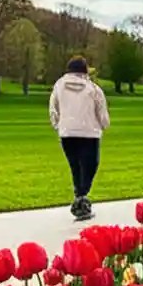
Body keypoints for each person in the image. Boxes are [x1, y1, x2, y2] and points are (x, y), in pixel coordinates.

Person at [49, 56, 110, 221]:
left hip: (67, 133)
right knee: (90, 165)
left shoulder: (59, 86)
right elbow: (101, 111)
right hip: (89, 133)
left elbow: (53, 108)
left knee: (75, 166)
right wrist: (104, 125)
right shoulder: (93, 89)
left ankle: (80, 197)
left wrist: (59, 125)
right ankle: (82, 197)